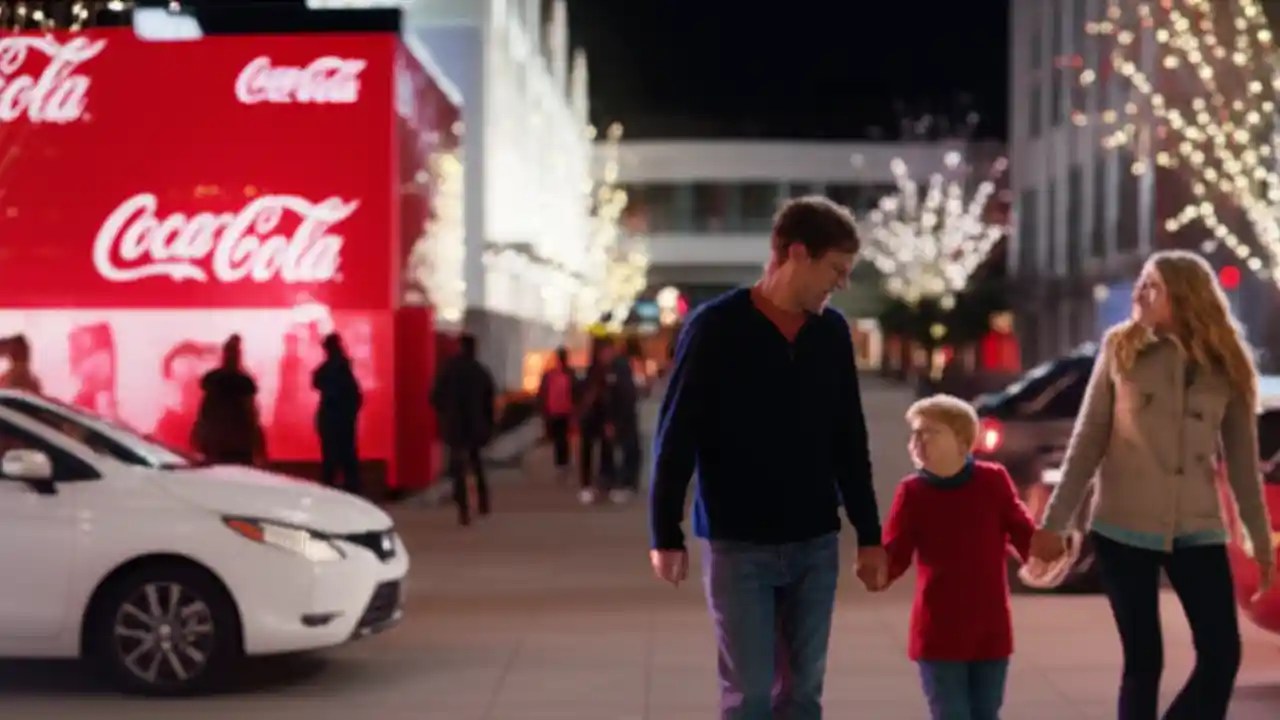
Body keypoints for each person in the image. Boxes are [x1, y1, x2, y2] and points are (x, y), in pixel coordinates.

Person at [648, 195, 886, 720]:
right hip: (739, 546)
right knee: (750, 697)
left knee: (802, 696)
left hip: (815, 543)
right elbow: (677, 432)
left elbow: (850, 437)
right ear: (796, 254)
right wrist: (665, 532)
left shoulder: (831, 334)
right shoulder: (716, 328)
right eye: (836, 270)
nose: (841, 284)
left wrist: (870, 535)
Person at [1032, 250, 1275, 720]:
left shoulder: (1226, 365)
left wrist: (1258, 539)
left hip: (1197, 528)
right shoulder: (1120, 349)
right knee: (1144, 662)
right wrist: (1054, 523)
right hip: (1123, 527)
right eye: (1141, 283)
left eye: (1152, 286)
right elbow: (1087, 442)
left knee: (1221, 655)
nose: (1139, 294)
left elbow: (1244, 465)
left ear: (1184, 297)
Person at [880, 394, 1036, 720]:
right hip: (938, 634)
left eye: (931, 432)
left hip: (989, 632)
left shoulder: (992, 481)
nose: (919, 441)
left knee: (986, 712)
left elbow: (1025, 534)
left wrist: (1048, 550)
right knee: (950, 713)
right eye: (916, 434)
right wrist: (876, 568)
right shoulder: (912, 493)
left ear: (963, 441)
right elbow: (894, 555)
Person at [431, 333, 497, 526]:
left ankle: (463, 510)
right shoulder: (480, 371)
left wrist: (445, 414)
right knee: (477, 464)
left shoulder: (449, 370)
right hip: (475, 425)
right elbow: (489, 402)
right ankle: (483, 503)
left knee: (457, 468)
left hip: (455, 426)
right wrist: (489, 425)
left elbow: (435, 396)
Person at [192, 334, 265, 465]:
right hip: (233, 440)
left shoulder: (213, 378)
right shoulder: (243, 381)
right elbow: (252, 412)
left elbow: (204, 411)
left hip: (226, 440)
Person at [312, 333, 364, 495]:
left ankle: (336, 491)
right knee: (344, 458)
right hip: (340, 420)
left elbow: (317, 381)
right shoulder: (340, 368)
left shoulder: (334, 368)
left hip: (335, 419)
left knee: (334, 459)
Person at [576, 338, 618, 505]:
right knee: (589, 451)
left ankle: (604, 485)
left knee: (605, 452)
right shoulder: (594, 373)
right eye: (608, 351)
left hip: (600, 417)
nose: (610, 355)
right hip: (592, 417)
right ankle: (587, 485)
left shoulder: (610, 371)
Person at [537, 346, 576, 482]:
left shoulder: (565, 374)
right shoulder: (554, 374)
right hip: (556, 410)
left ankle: (562, 463)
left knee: (562, 438)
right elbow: (543, 392)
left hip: (563, 410)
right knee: (559, 438)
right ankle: (562, 463)